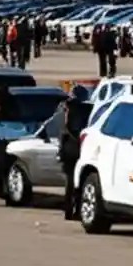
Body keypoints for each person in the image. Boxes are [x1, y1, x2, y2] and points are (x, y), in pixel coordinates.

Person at [57, 85, 94, 220]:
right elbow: (70, 128)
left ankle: (70, 210)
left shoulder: (65, 108)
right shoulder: (80, 109)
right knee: (77, 182)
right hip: (75, 149)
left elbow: (64, 129)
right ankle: (74, 209)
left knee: (71, 182)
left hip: (68, 149)